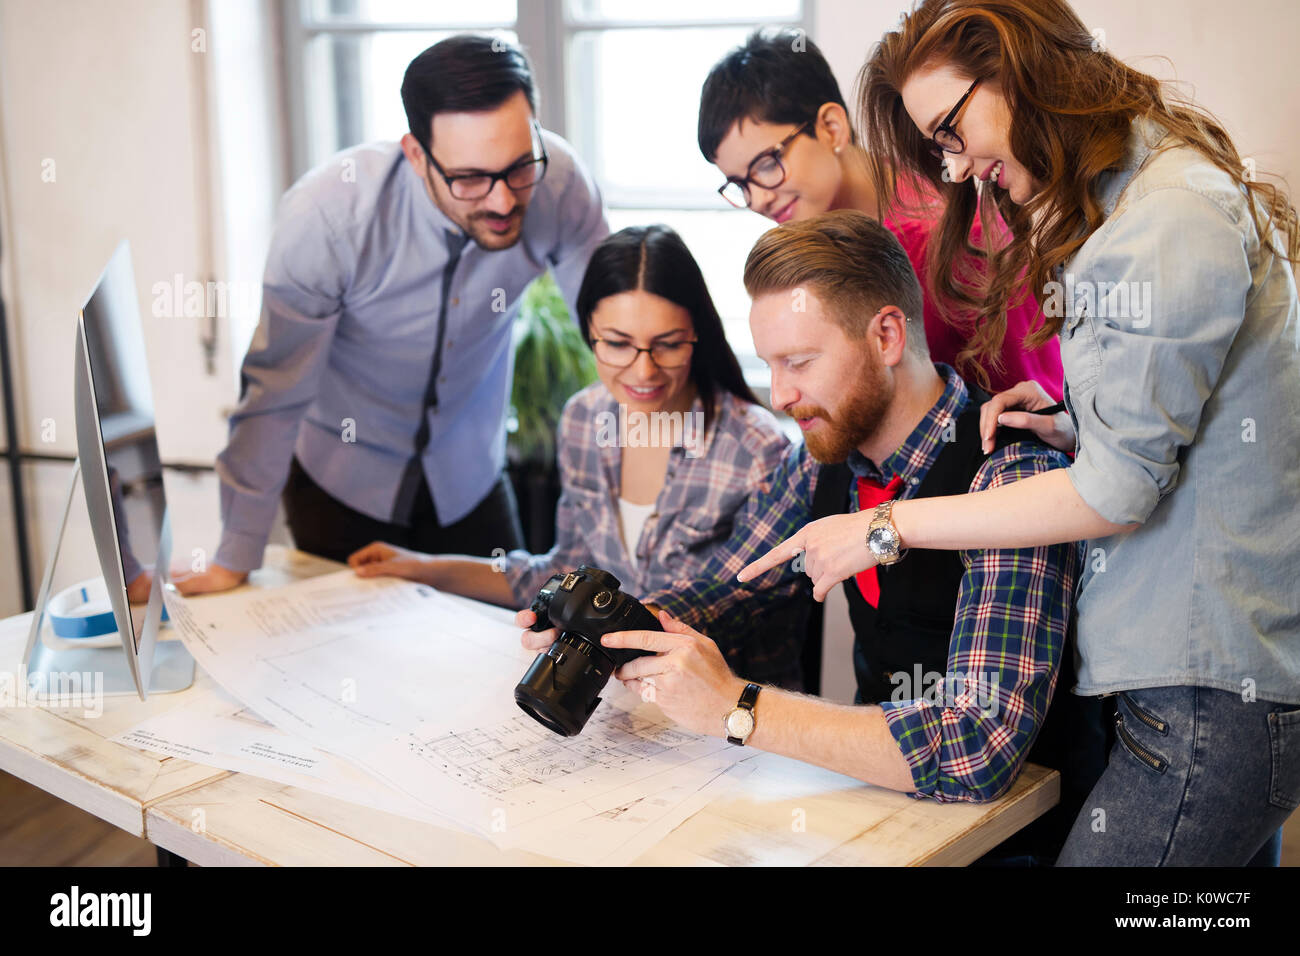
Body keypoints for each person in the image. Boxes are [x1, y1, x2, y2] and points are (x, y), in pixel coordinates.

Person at [742, 0, 1300, 865]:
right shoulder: (1139, 202)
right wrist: (1079, 422)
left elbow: (1117, 493)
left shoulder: (1163, 219)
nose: (960, 169)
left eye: (954, 131)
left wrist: (885, 528)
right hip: (1204, 683)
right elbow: (1185, 425)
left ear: (1016, 67)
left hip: (1210, 693)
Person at [519, 211, 1080, 809]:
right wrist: (617, 624)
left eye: (799, 362)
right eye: (769, 365)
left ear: (887, 337)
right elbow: (735, 586)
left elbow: (976, 748)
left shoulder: (1010, 473)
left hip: (1007, 831)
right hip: (882, 806)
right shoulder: (824, 457)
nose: (780, 395)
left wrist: (738, 707)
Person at [174, 35, 608, 596]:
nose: (503, 201)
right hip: (341, 481)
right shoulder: (328, 217)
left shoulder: (561, 184)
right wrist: (234, 556)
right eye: (471, 178)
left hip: (470, 477)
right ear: (416, 154)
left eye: (519, 167)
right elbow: (274, 390)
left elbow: (614, 325)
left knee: (503, 655)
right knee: (343, 667)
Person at [350, 225, 798, 686]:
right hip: (615, 704)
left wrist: (603, 624)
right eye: (618, 343)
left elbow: (741, 604)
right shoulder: (584, 420)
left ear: (697, 335)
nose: (643, 370)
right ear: (588, 331)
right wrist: (427, 568)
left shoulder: (755, 447)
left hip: (717, 715)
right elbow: (564, 571)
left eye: (668, 344)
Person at [698, 27, 1062, 399]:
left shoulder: (948, 237)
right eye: (740, 184)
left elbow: (1040, 400)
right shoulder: (815, 247)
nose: (758, 199)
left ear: (831, 128)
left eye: (765, 164)